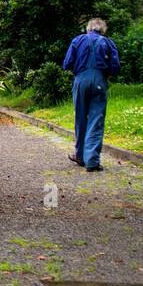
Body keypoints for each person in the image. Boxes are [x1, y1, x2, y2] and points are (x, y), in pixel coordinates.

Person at [62, 17, 120, 171]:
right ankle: (92, 161)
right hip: (100, 81)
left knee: (80, 118)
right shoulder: (108, 43)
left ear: (88, 29)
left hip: (80, 80)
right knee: (96, 120)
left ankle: (80, 156)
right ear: (103, 30)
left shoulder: (78, 40)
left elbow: (66, 63)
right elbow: (115, 67)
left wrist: (79, 71)